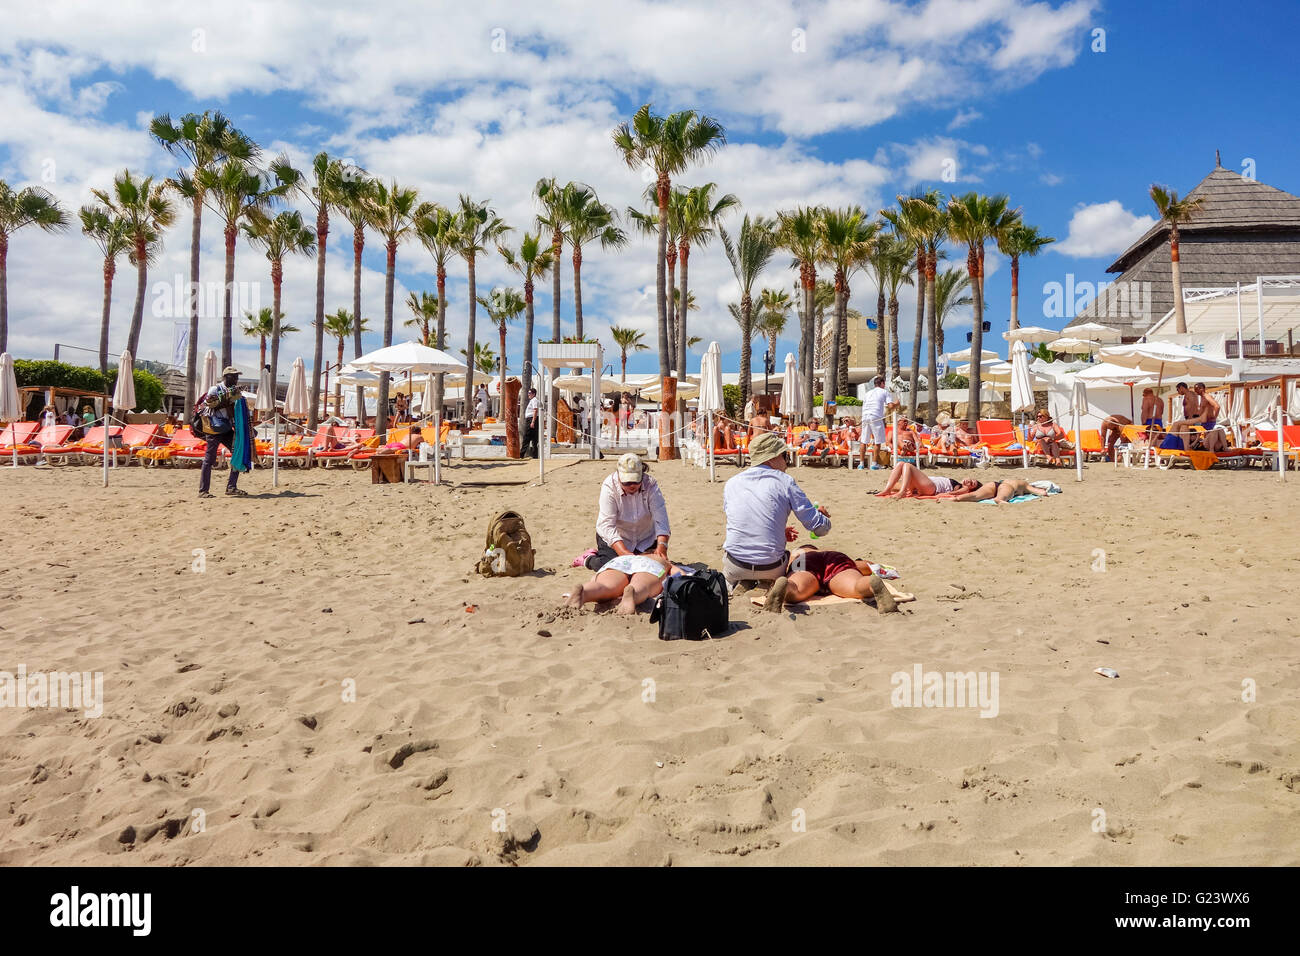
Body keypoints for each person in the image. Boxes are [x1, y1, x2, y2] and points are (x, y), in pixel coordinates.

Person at [722, 431, 830, 600]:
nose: (786, 462)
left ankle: (747, 581)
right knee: (801, 553)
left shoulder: (732, 483)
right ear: (771, 458)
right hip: (771, 567)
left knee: (744, 556)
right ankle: (765, 582)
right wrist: (823, 517)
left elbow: (742, 519)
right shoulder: (785, 481)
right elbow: (819, 529)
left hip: (734, 565)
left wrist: (778, 528)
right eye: (784, 455)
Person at [584, 453, 670, 571]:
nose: (632, 486)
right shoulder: (609, 486)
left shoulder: (651, 485)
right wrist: (623, 551)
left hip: (644, 538)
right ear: (619, 476)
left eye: (635, 481)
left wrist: (662, 546)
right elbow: (607, 525)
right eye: (626, 483)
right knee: (613, 568)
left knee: (651, 567)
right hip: (616, 538)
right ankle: (589, 558)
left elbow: (661, 519)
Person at [776, 544, 897, 613]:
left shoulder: (798, 551)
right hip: (835, 559)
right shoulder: (829, 550)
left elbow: (788, 568)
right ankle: (869, 583)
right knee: (855, 586)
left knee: (796, 589)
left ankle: (787, 586)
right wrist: (877, 568)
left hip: (804, 559)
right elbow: (865, 566)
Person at [564, 552, 685, 614]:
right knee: (642, 585)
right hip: (650, 565)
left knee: (605, 586)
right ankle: (633, 593)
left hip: (621, 560)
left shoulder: (633, 554)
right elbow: (680, 575)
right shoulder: (661, 560)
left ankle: (584, 591)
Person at [198, 366, 253, 499]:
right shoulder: (215, 389)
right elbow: (207, 405)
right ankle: (203, 490)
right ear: (226, 377)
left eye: (237, 376)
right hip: (214, 428)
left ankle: (231, 487)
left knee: (237, 453)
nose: (236, 379)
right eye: (233, 376)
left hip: (227, 427)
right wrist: (227, 400)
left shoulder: (235, 391)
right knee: (209, 458)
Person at [875, 462, 978, 498]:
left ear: (970, 489)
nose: (969, 482)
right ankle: (887, 489)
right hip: (924, 485)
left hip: (932, 488)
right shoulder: (959, 483)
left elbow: (954, 493)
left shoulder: (962, 488)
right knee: (901, 464)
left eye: (972, 484)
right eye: (972, 480)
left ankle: (902, 492)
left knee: (908, 466)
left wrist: (965, 490)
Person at [942, 477, 1056, 503]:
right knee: (1000, 497)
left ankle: (955, 499)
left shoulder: (1021, 482)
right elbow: (1042, 492)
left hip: (993, 484)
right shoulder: (1026, 485)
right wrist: (1043, 491)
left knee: (975, 496)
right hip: (1007, 486)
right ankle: (999, 500)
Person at [862, 375, 894, 465]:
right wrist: (897, 404)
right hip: (875, 417)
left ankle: (861, 464)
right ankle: (874, 464)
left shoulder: (867, 393)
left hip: (865, 416)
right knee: (877, 441)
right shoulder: (884, 392)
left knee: (863, 441)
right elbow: (891, 406)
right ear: (882, 383)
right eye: (884, 383)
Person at [523, 388, 540, 457]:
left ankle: (521, 454)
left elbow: (535, 410)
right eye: (528, 393)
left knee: (527, 437)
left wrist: (532, 421)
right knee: (534, 438)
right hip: (532, 419)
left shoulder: (534, 400)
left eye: (530, 393)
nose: (528, 394)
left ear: (533, 394)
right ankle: (534, 455)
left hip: (531, 419)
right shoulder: (533, 400)